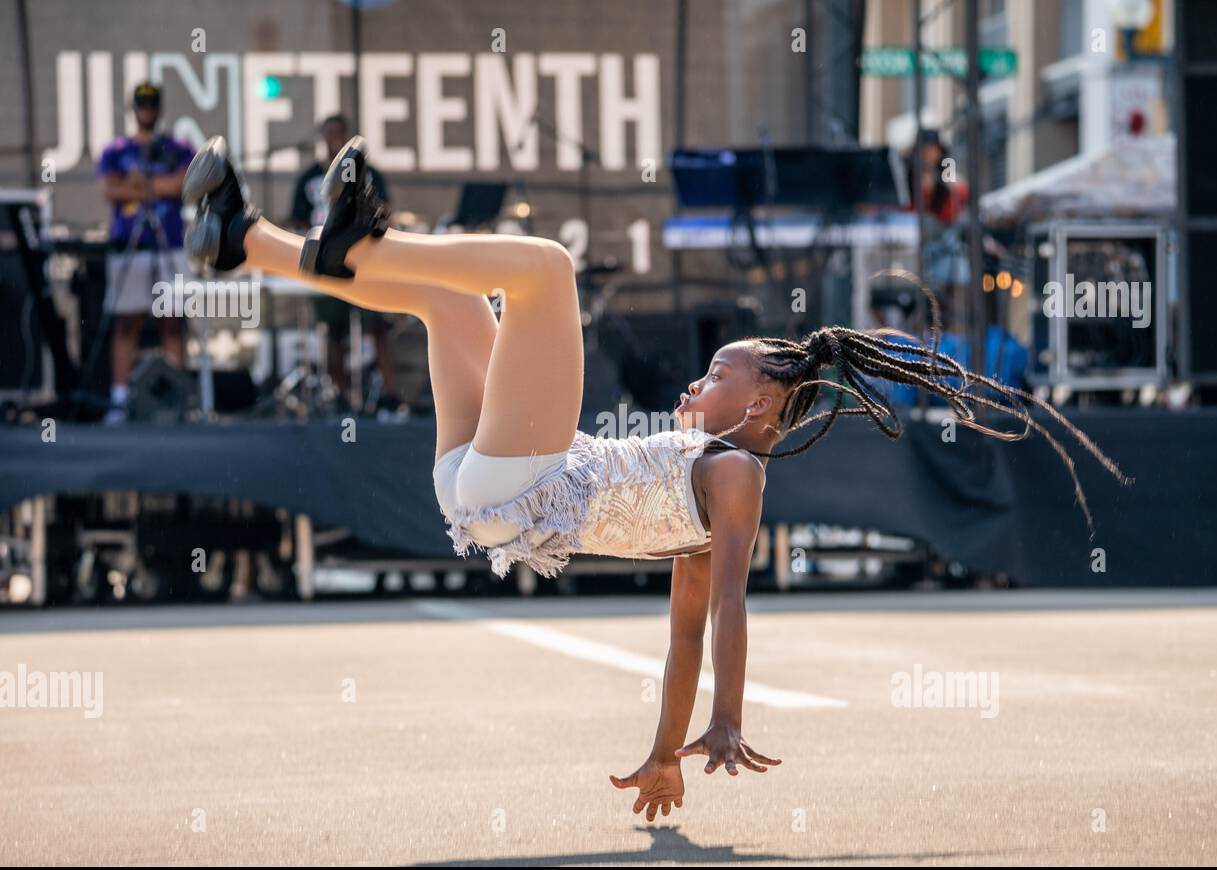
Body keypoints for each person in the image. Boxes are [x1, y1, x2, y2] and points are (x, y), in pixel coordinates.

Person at [183, 135, 1132, 822]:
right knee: (453, 301)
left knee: (546, 270)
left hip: (523, 488)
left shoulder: (732, 473)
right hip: (481, 490)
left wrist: (725, 719)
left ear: (762, 407)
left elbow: (722, 611)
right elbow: (678, 633)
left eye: (720, 373)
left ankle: (356, 242)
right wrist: (665, 750)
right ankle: (249, 240)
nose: (696, 379)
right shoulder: (703, 482)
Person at [97, 82, 195, 424]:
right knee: (127, 322)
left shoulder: (178, 147)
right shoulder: (116, 149)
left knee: (173, 323)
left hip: (169, 244)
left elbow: (184, 185)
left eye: (152, 104)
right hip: (131, 246)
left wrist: (140, 185)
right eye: (141, 104)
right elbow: (112, 190)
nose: (147, 110)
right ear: (133, 108)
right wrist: (157, 186)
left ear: (160, 108)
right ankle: (120, 399)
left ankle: (176, 399)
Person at [288, 114, 398, 407]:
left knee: (378, 323)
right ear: (322, 138)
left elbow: (386, 213)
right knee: (334, 330)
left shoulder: (369, 174)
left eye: (340, 132)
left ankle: (390, 392)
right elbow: (297, 221)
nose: (335, 138)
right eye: (330, 133)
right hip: (328, 262)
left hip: (366, 261)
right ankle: (338, 393)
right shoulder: (309, 178)